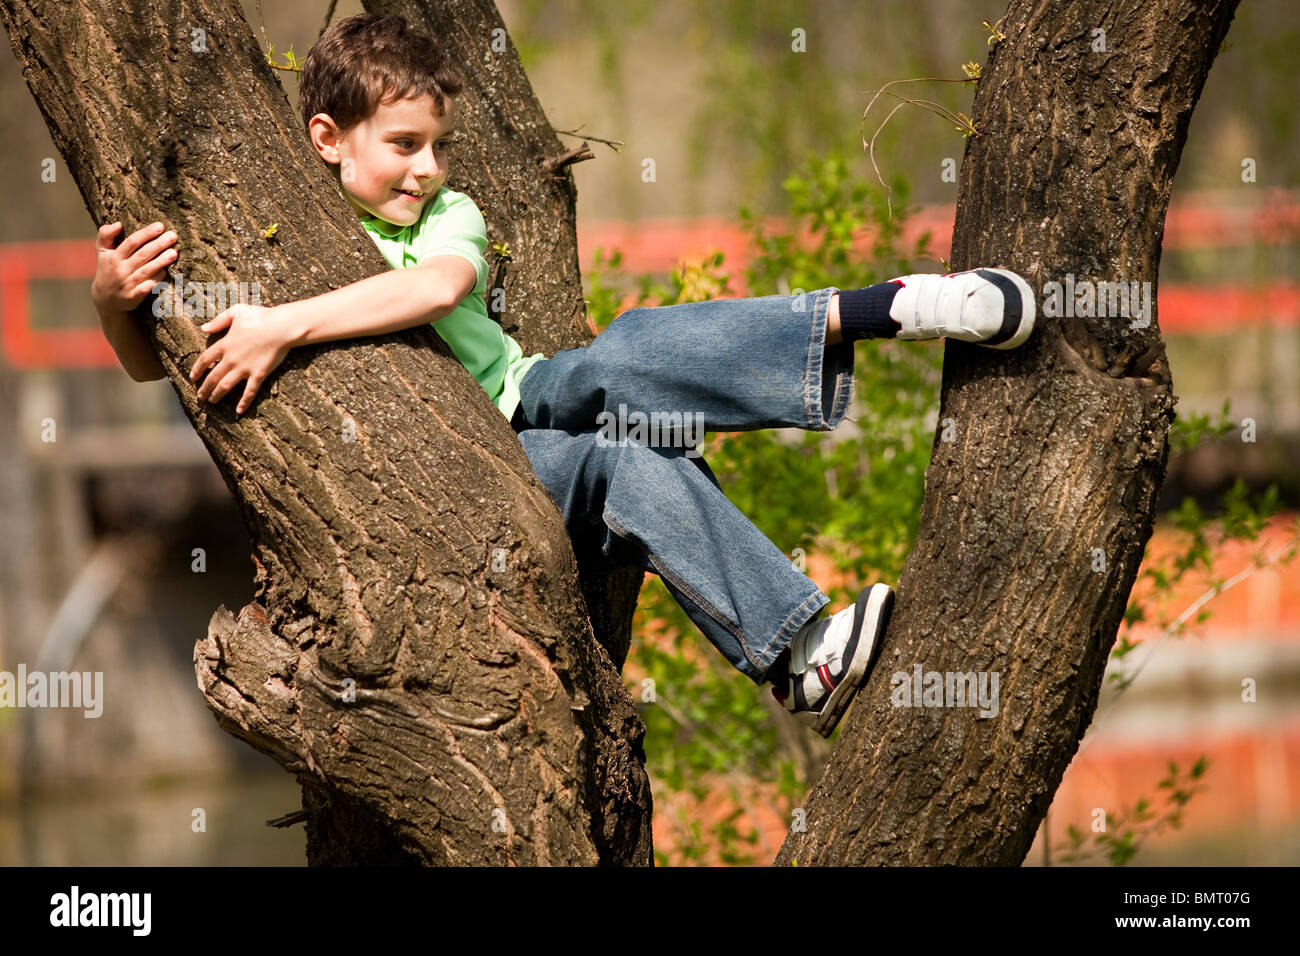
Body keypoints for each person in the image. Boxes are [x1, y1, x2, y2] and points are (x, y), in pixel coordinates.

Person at [90, 13, 1035, 738]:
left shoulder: (445, 217)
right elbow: (162, 369)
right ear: (329, 136)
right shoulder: (279, 235)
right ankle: (800, 653)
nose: (427, 169)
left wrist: (285, 326)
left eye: (438, 145)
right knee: (624, 460)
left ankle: (877, 314)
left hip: (521, 395)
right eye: (403, 145)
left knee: (624, 365)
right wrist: (112, 302)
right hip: (464, 472)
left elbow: (437, 289)